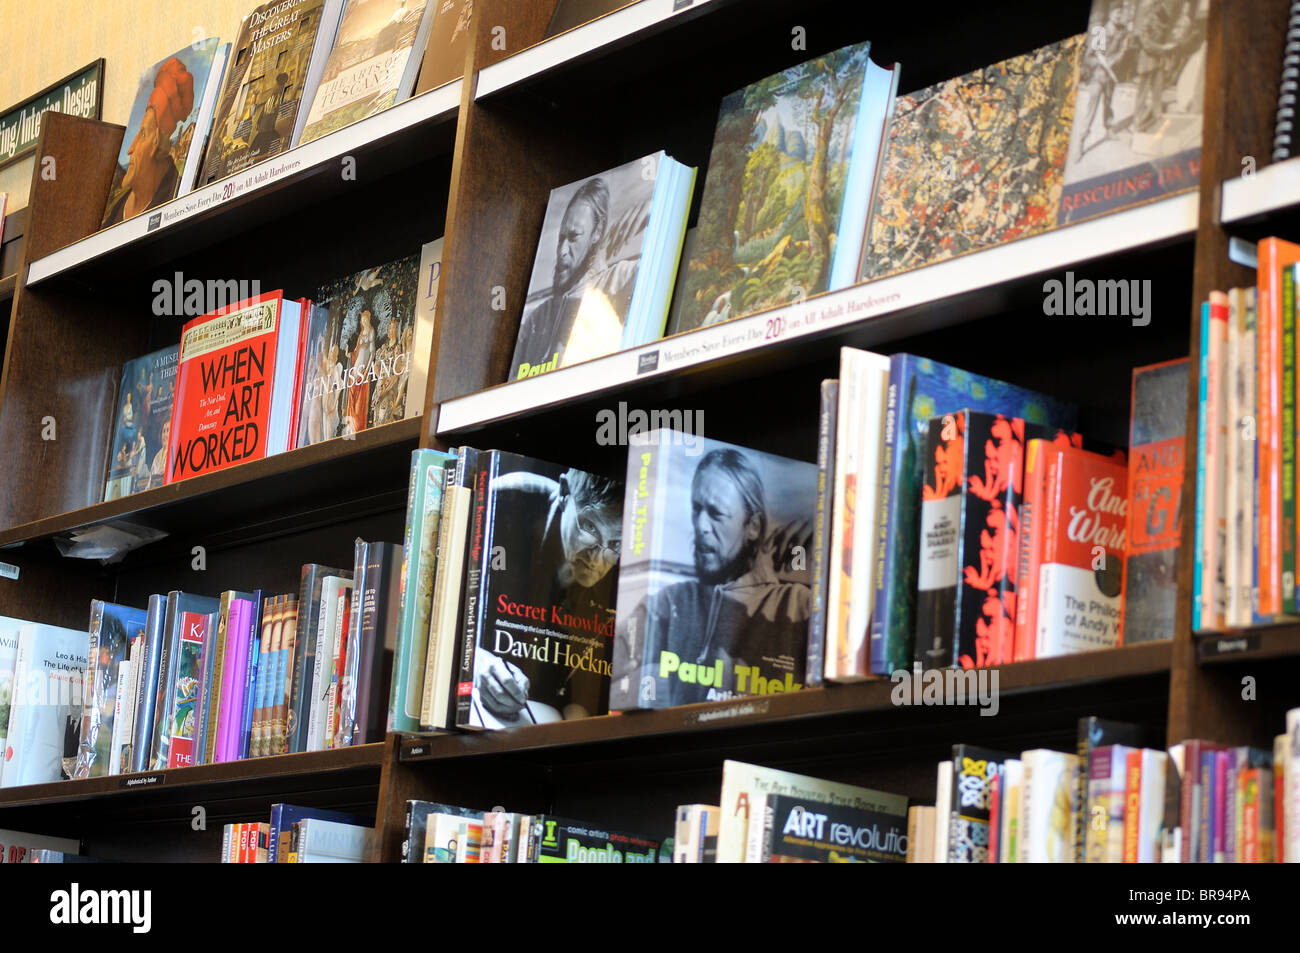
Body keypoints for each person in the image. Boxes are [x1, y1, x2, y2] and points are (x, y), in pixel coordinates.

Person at [617, 449, 810, 708]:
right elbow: (610, 662)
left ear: (753, 526)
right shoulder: (670, 603)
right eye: (696, 508)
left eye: (716, 513)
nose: (700, 526)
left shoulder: (796, 604)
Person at [472, 468, 623, 726]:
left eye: (615, 544)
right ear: (564, 493)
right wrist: (476, 664)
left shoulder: (627, 574)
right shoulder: (503, 503)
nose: (598, 560)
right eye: (590, 527)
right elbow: (435, 613)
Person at [511, 177, 638, 373]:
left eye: (574, 237)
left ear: (596, 232)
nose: (562, 250)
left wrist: (652, 212)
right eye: (561, 238)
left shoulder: (619, 278)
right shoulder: (535, 320)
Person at [103, 58, 194, 225]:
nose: (129, 149)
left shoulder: (173, 197)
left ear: (156, 143)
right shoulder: (115, 211)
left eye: (143, 134)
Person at [345, 309, 375, 435]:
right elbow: (356, 352)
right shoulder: (361, 333)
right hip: (356, 367)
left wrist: (367, 370)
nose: (364, 322)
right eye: (362, 320)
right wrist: (349, 354)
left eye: (365, 319)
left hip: (363, 369)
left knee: (360, 402)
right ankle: (351, 427)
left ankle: (358, 427)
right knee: (352, 396)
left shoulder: (371, 332)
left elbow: (372, 353)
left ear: (369, 319)